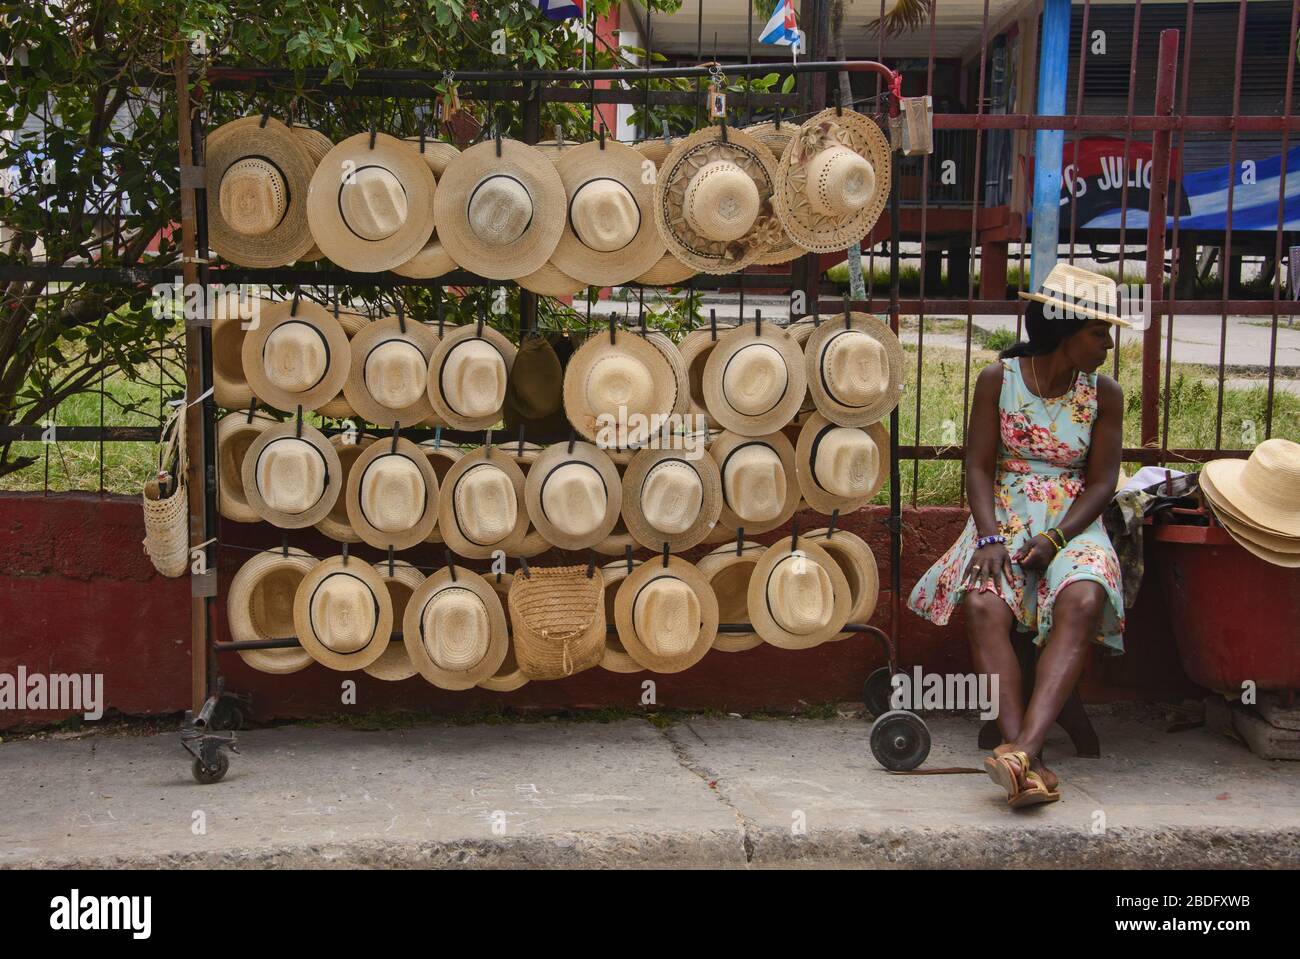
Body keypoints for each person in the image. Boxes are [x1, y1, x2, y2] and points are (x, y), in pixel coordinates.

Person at [908, 265, 1130, 809]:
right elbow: (979, 468)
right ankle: (1025, 756)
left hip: (1072, 521)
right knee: (985, 604)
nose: (1108, 344)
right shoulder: (998, 380)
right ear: (1063, 329)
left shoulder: (1105, 393)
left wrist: (1058, 539)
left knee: (1082, 596)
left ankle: (1021, 752)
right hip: (1002, 515)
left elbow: (1102, 481)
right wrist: (988, 537)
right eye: (1099, 332)